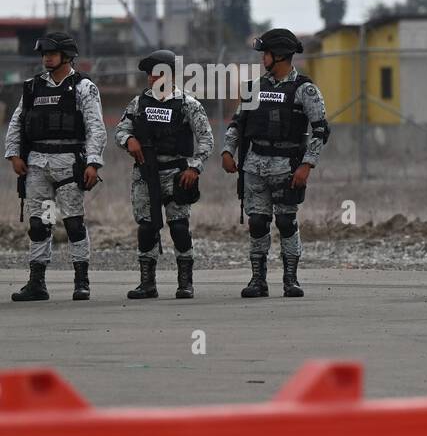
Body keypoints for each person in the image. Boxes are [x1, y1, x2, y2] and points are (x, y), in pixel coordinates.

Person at [221, 28, 329, 298]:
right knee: (257, 222)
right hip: (254, 165)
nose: (262, 58)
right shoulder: (254, 88)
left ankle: (290, 279)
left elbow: (320, 130)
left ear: (279, 56)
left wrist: (307, 165)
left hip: (287, 166)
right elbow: (237, 123)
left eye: (266, 53)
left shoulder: (305, 90)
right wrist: (227, 151)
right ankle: (258, 280)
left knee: (285, 221)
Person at [6, 31, 106, 301]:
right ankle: (37, 282)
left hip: (69, 163)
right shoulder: (32, 87)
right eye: (44, 54)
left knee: (73, 224)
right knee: (40, 224)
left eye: (51, 53)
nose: (46, 58)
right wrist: (14, 154)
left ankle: (81, 281)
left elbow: (96, 127)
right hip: (37, 166)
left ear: (67, 56)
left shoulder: (84, 87)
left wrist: (94, 162)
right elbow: (17, 122)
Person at [115, 49, 214, 299]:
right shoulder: (138, 103)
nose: (151, 78)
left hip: (177, 173)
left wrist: (194, 167)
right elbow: (120, 130)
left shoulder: (188, 104)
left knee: (179, 228)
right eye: (149, 74)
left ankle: (185, 283)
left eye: (156, 73)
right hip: (146, 174)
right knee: (147, 228)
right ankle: (147, 284)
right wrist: (129, 140)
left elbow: (206, 140)